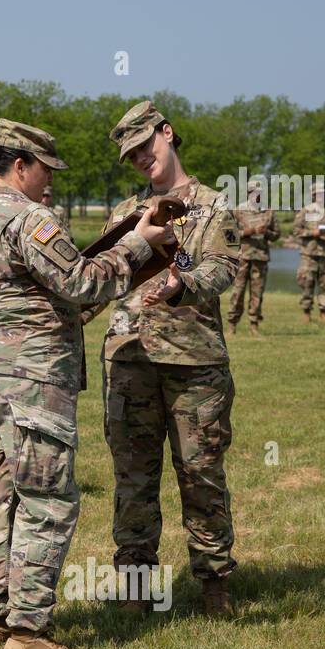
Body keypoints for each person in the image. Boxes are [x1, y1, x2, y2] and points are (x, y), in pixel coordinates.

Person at [0, 118, 167, 649]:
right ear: (20, 165)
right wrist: (138, 244)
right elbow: (85, 283)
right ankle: (27, 635)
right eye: (46, 171)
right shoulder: (29, 217)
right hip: (31, 379)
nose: (51, 183)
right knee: (46, 500)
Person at [92, 100, 241, 616]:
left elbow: (224, 269)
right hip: (129, 359)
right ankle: (135, 589)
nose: (140, 160)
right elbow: (100, 276)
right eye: (130, 155)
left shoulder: (213, 205)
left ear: (167, 134)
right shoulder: (125, 213)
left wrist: (184, 285)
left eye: (144, 147)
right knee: (133, 478)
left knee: (200, 475)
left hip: (192, 363)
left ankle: (214, 584)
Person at [227, 178, 281, 336]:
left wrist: (267, 233)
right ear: (248, 193)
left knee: (257, 293)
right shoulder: (238, 210)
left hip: (261, 258)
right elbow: (228, 234)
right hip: (242, 257)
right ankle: (232, 324)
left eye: (260, 193)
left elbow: (277, 234)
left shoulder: (269, 210)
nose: (257, 196)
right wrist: (247, 233)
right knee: (238, 291)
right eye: (254, 193)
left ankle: (254, 324)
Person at [292, 182, 325, 322]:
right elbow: (296, 231)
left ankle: (323, 312)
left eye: (322, 194)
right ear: (313, 196)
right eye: (317, 194)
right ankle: (306, 312)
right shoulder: (305, 211)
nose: (320, 197)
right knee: (307, 283)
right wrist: (312, 233)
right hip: (308, 255)